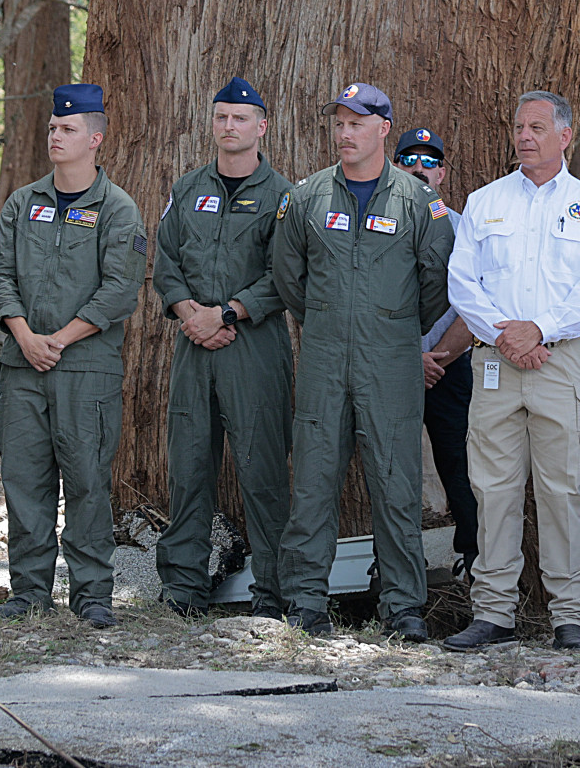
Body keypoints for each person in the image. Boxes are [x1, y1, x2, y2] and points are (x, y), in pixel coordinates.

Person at [269, 82, 455, 639]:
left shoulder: (420, 204)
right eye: (339, 123)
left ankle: (402, 605)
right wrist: (330, 317)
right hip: (324, 355)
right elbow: (288, 278)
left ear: (382, 130)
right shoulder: (305, 199)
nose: (345, 133)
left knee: (396, 483)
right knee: (314, 481)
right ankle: (305, 600)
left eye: (357, 123)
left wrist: (388, 322)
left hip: (393, 357)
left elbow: (436, 283)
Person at [442, 92, 580, 651]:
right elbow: (463, 282)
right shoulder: (485, 201)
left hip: (558, 356)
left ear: (565, 136)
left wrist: (539, 329)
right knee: (491, 486)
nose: (525, 136)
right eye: (519, 127)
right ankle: (493, 612)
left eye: (538, 127)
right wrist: (504, 334)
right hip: (495, 357)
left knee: (562, 485)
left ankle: (571, 615)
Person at [0, 84, 147, 626]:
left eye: (68, 129)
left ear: (95, 138)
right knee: (25, 481)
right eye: (53, 128)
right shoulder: (21, 202)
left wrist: (60, 339)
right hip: (22, 366)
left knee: (85, 482)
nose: (56, 136)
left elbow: (119, 291)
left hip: (85, 371)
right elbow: (2, 276)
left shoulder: (118, 209)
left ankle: (91, 594)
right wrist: (26, 336)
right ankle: (29, 590)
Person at [152, 77, 296, 618]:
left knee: (262, 471)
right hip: (194, 347)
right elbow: (166, 263)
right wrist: (191, 314)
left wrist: (228, 312)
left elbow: (285, 275)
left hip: (253, 348)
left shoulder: (284, 196)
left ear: (261, 127)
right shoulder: (188, 189)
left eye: (240, 119)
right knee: (189, 468)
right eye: (221, 117)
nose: (229, 127)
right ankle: (184, 588)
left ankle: (274, 592)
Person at [399, 127, 480, 583]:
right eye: (410, 160)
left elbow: (476, 304)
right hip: (390, 367)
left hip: (449, 368)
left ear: (443, 173)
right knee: (393, 468)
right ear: (395, 168)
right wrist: (409, 357)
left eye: (430, 162)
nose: (419, 169)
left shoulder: (463, 226)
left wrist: (438, 359)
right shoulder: (377, 224)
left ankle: (472, 561)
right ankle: (395, 564)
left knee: (461, 466)